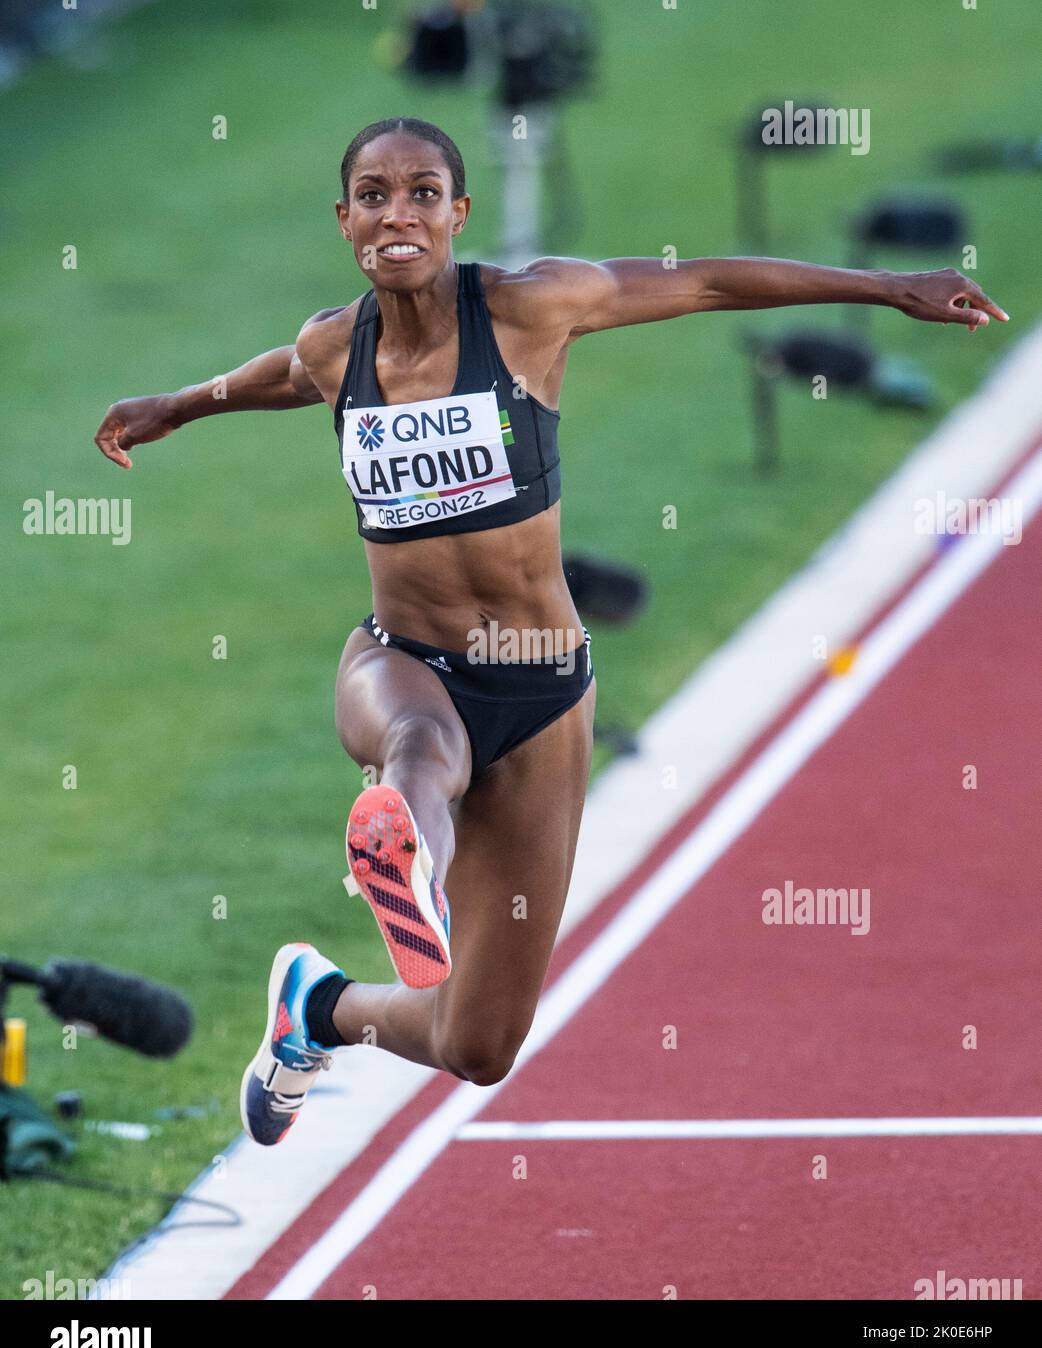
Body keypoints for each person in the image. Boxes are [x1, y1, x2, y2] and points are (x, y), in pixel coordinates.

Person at [93, 116, 1008, 1146]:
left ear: (457, 213)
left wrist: (887, 287)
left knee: (476, 1046)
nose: (399, 211)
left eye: (424, 192)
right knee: (419, 750)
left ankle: (317, 1005)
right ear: (345, 217)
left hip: (538, 684)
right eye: (376, 193)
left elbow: (705, 283)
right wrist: (177, 404)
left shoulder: (531, 310)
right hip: (401, 661)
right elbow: (279, 375)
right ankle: (408, 869)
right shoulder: (334, 346)